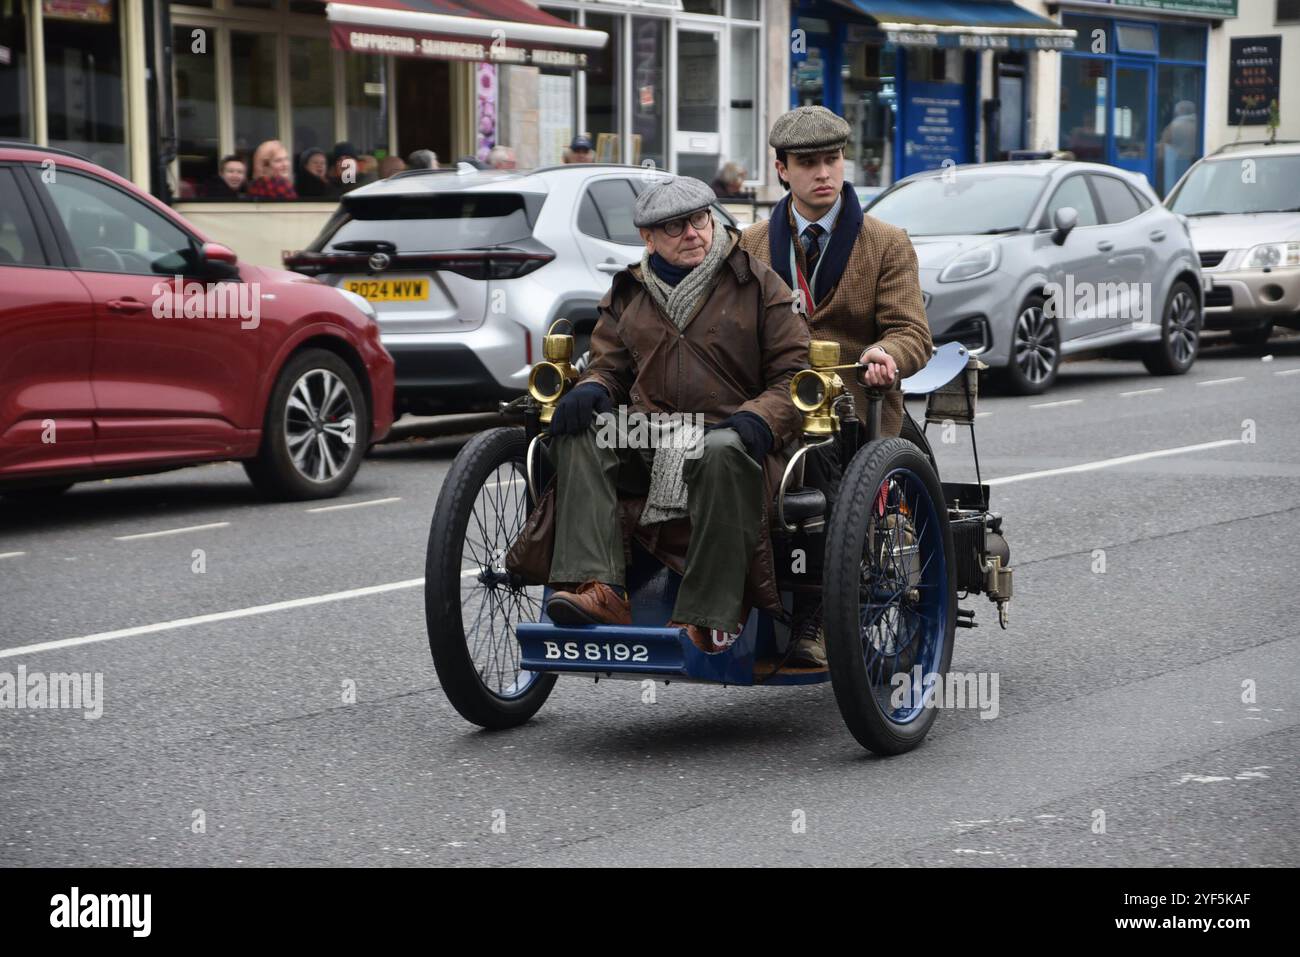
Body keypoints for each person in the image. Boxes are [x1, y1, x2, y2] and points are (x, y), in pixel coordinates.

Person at [508, 176, 809, 653]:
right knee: (581, 433)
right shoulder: (628, 291)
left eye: (699, 220)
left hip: (730, 436)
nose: (692, 233)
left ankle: (703, 620)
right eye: (674, 227)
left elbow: (796, 378)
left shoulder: (758, 284)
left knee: (721, 449)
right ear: (648, 239)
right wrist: (592, 389)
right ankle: (601, 589)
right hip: (653, 435)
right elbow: (610, 368)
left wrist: (760, 417)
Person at [739, 105, 932, 667]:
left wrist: (887, 355)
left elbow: (912, 332)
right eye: (807, 163)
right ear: (782, 169)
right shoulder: (749, 244)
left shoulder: (885, 241)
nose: (823, 173)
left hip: (855, 409)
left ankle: (815, 617)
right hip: (772, 405)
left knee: (817, 463)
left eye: (832, 159)